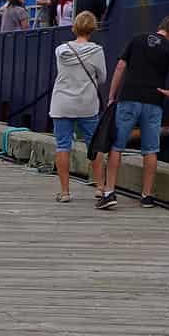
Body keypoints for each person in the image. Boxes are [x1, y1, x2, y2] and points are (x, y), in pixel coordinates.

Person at [99, 15, 169, 210]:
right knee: (150, 149)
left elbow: (120, 66)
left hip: (129, 98)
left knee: (117, 146)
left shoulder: (137, 39)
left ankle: (109, 192)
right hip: (154, 102)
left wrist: (111, 96)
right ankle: (147, 196)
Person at [49, 11, 108, 203]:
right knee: (94, 145)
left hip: (62, 104)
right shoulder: (97, 51)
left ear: (75, 27)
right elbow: (103, 78)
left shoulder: (61, 50)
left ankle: (65, 192)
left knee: (63, 146)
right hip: (87, 104)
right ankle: (100, 187)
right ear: (93, 29)